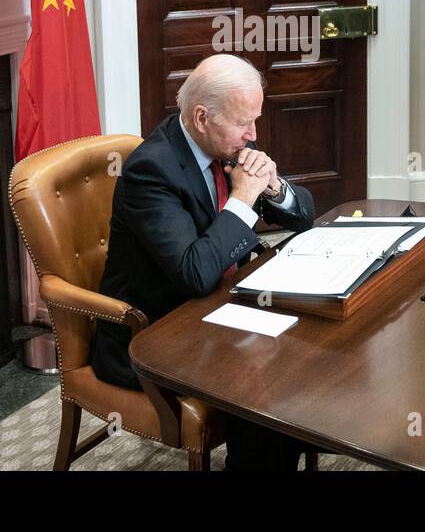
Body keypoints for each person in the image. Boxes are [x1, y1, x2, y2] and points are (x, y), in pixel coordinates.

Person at [90, 53, 317, 470]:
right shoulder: (151, 172)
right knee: (263, 387)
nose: (252, 135)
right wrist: (244, 198)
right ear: (201, 117)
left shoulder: (222, 143)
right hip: (158, 331)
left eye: (255, 120)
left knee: (309, 345)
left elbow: (304, 218)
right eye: (243, 123)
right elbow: (194, 273)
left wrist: (273, 188)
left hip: (220, 307)